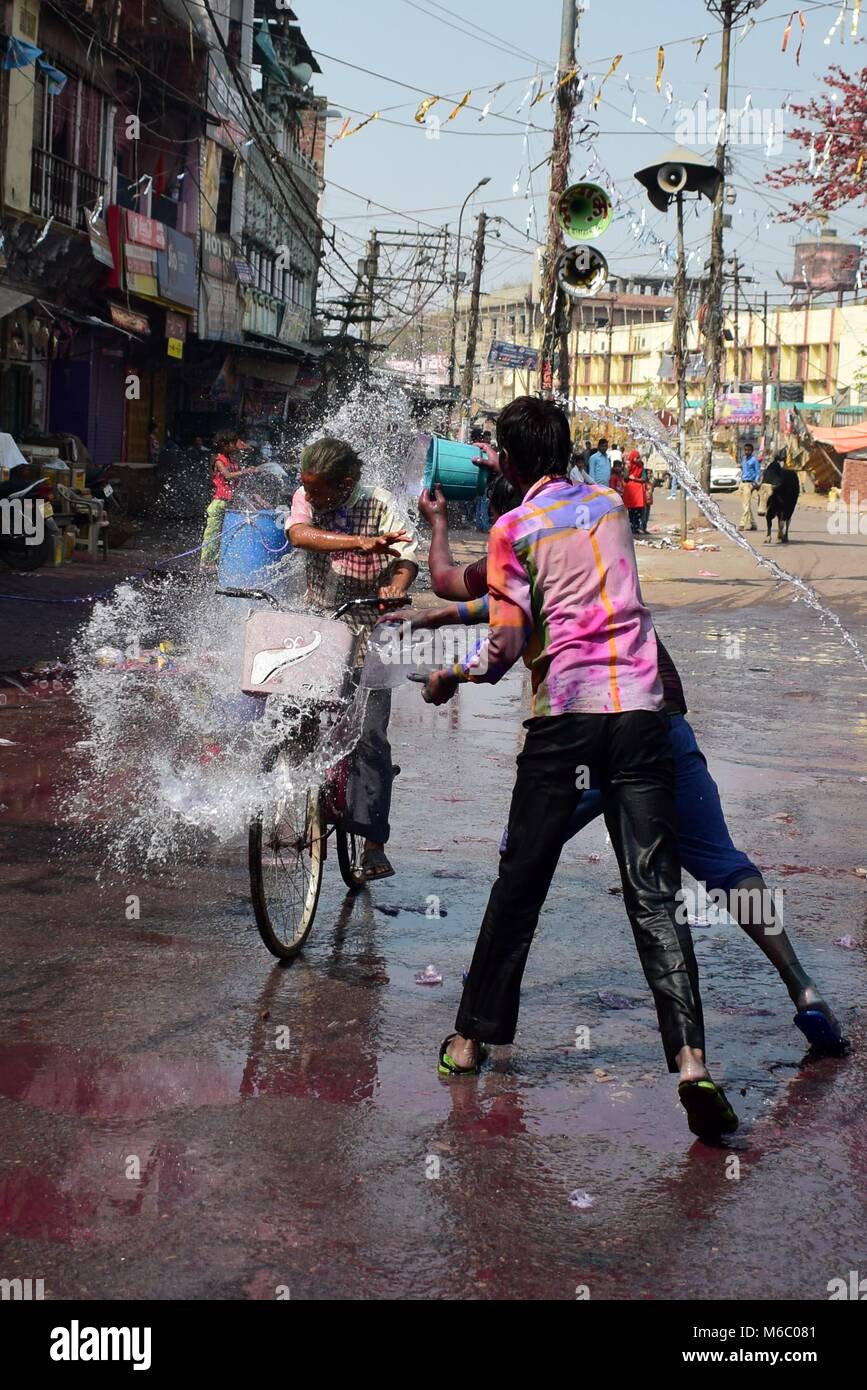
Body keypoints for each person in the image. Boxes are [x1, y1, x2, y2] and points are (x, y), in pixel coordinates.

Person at [415, 395, 736, 1140]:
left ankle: (467, 1043)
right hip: (642, 714)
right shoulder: (607, 504)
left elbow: (503, 645)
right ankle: (691, 1061)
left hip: (565, 718)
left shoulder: (510, 529)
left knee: (520, 880)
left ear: (514, 461)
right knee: (654, 894)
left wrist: (449, 677)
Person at [386, 589, 847, 1062]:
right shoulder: (605, 545)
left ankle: (473, 1031)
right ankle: (802, 988)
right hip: (655, 722)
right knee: (720, 865)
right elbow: (506, 597)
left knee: (521, 867)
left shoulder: (529, 541)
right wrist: (446, 616)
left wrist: (446, 646)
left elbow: (490, 600)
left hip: (582, 732)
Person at [287, 437, 419, 881]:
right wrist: (359, 544)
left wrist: (395, 584)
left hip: (371, 632)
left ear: (345, 484)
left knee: (370, 737)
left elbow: (406, 558)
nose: (311, 496)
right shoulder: (305, 497)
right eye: (307, 488)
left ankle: (374, 842)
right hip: (322, 629)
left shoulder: (381, 505)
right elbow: (298, 534)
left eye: (320, 491)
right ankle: (293, 800)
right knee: (290, 713)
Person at [199, 431, 253, 570]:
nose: (235, 445)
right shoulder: (219, 460)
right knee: (212, 534)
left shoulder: (232, 460)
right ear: (224, 445)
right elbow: (228, 476)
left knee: (223, 534)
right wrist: (245, 471)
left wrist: (246, 447)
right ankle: (205, 563)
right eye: (233, 443)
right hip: (219, 503)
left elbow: (237, 482)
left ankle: (216, 563)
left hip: (229, 503)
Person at [622, 449, 646, 533]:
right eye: (637, 458)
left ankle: (636, 527)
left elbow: (644, 479)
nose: (639, 459)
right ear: (632, 457)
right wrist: (628, 470)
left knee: (638, 510)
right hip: (630, 491)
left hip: (638, 491)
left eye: (639, 457)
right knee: (631, 510)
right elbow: (625, 477)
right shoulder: (628, 465)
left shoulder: (641, 466)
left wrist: (635, 479)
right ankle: (631, 527)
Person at [739, 442, 760, 531]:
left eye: (749, 450)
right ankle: (753, 524)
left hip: (749, 484)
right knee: (745, 505)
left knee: (746, 505)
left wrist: (754, 483)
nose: (747, 452)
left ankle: (742, 524)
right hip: (742, 483)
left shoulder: (754, 460)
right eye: (746, 450)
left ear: (752, 451)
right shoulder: (744, 459)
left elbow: (758, 472)